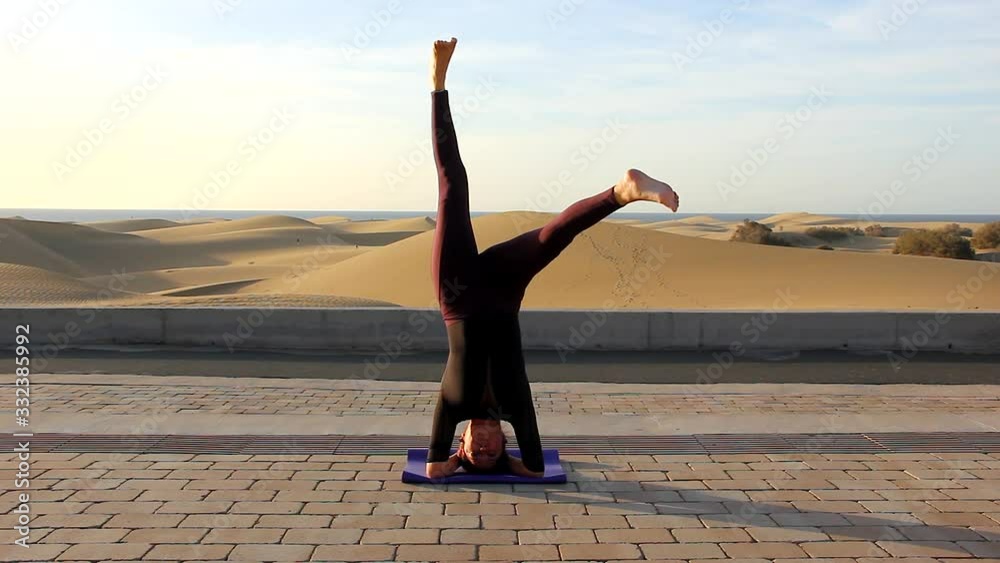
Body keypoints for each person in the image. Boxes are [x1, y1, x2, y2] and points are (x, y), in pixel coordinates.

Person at [425, 37, 680, 479]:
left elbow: (432, 468)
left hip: (458, 293)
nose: (484, 445)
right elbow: (537, 468)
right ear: (506, 443)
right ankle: (623, 190)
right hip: (503, 295)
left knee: (453, 187)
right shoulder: (515, 406)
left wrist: (448, 465)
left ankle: (437, 83)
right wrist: (512, 466)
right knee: (552, 238)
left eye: (474, 450)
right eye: (493, 452)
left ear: (461, 441)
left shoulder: (453, 403)